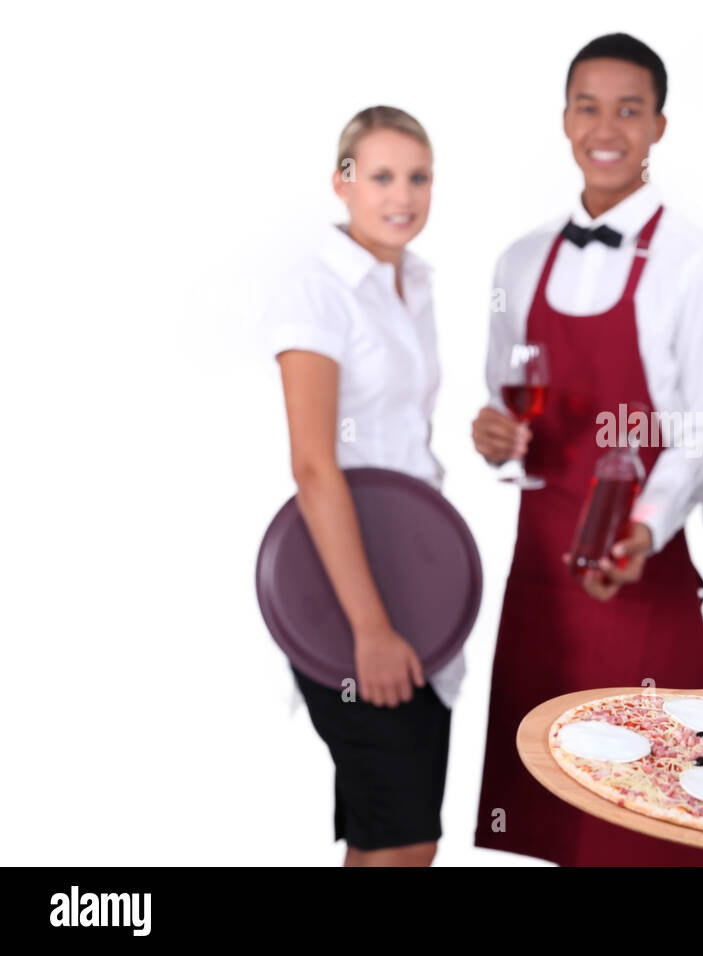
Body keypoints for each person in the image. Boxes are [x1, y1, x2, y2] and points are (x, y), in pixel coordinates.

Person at [472, 33, 703, 866]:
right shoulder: (518, 263)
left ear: (658, 125)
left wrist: (643, 529)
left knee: (646, 832)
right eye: (589, 106)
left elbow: (700, 430)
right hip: (538, 589)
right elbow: (506, 412)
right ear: (564, 119)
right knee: (551, 829)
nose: (607, 127)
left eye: (629, 109)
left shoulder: (701, 268)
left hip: (640, 585)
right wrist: (493, 439)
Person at [263, 106, 459, 867]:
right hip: (346, 593)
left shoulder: (413, 281)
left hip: (415, 582)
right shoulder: (318, 291)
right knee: (406, 839)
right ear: (342, 183)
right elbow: (314, 464)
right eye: (380, 176)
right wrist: (371, 629)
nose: (402, 194)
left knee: (388, 835)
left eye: (418, 176)